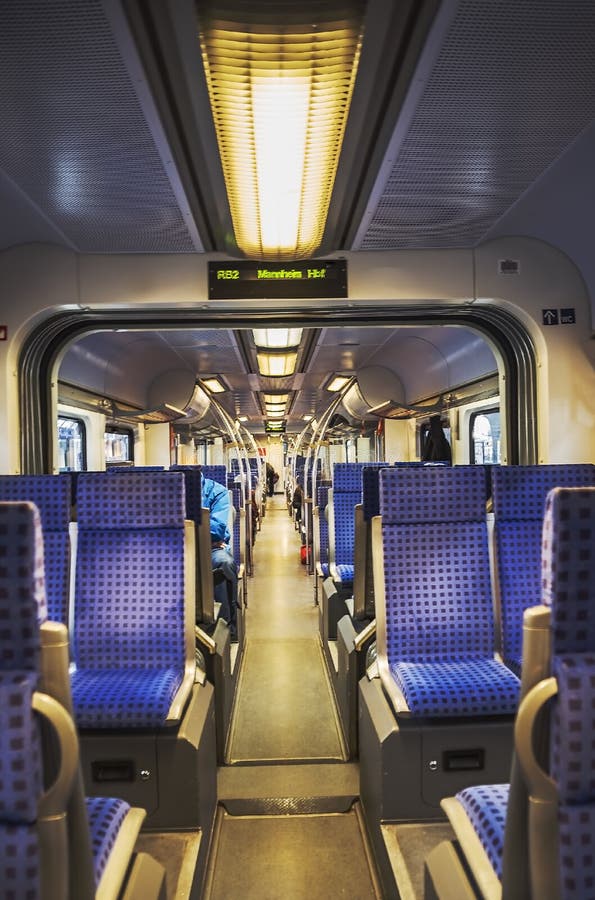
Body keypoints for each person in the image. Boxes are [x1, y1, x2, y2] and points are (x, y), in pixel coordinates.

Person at [201, 472, 239, 640]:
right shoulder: (167, 491)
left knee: (223, 563)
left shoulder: (216, 492)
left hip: (211, 550)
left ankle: (225, 628)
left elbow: (217, 531)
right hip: (174, 548)